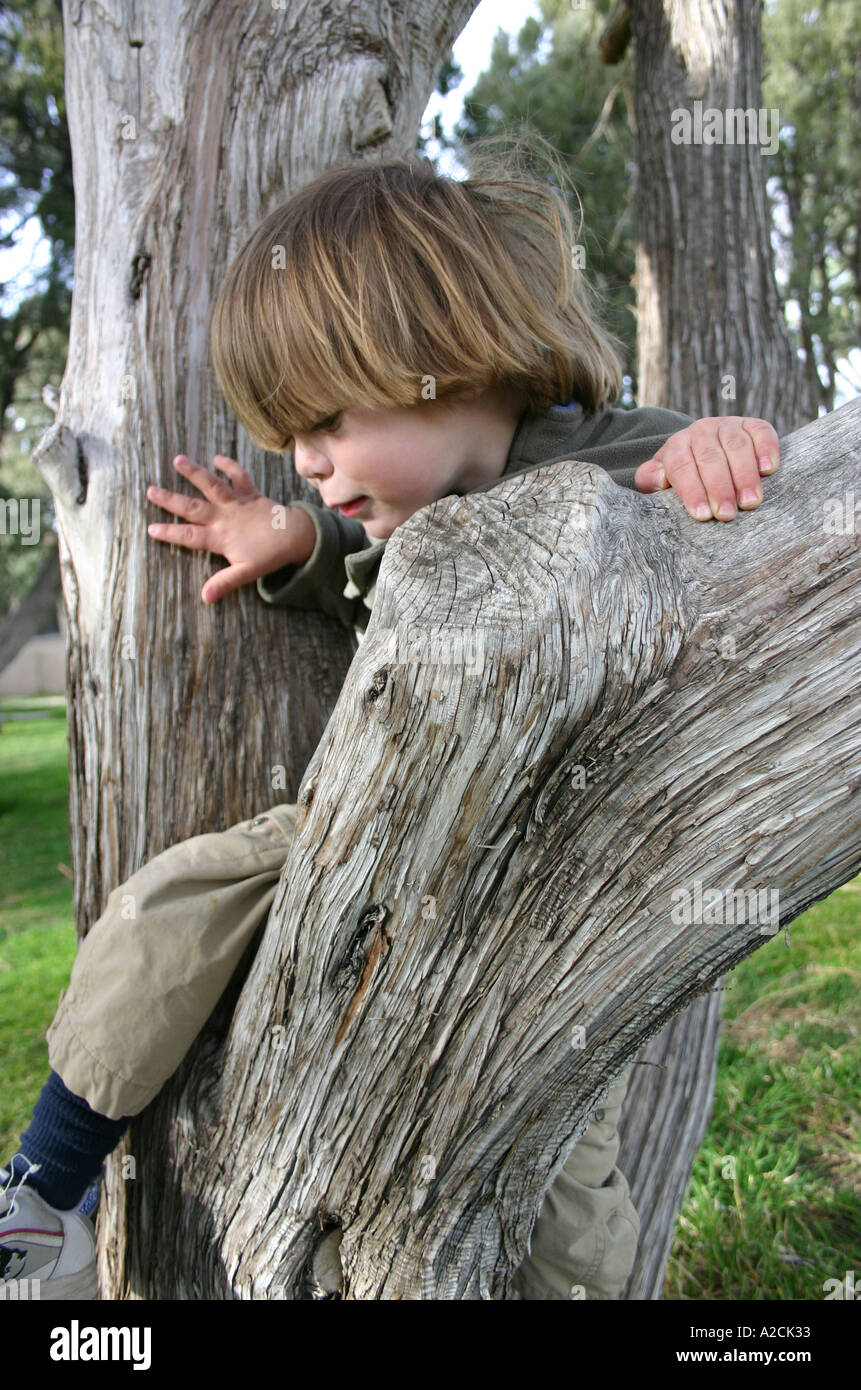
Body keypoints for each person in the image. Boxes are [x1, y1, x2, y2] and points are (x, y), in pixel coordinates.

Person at [0, 137, 781, 1300]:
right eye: (292, 444)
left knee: (567, 1165)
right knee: (171, 900)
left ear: (447, 358)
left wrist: (722, 448)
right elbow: (369, 569)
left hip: (568, 889)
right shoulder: (403, 516)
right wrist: (296, 540)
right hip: (363, 828)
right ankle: (46, 1193)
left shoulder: (620, 461)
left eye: (324, 421)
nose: (309, 463)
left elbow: (724, 501)